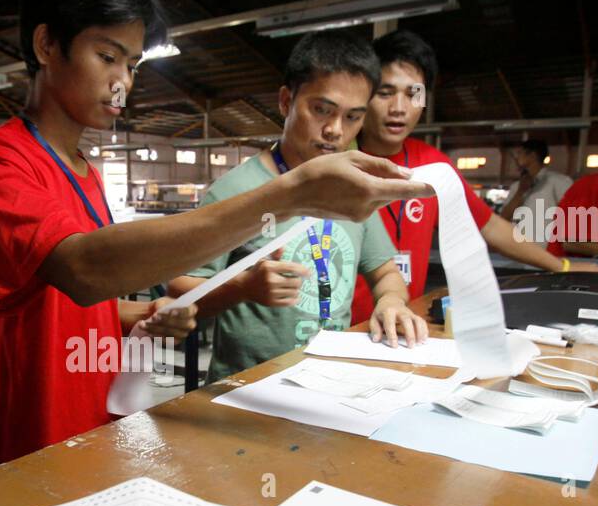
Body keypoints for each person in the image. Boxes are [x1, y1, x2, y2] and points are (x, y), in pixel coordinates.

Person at [0, 0, 431, 473]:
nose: (122, 83)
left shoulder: (82, 171)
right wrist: (290, 194)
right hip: (26, 448)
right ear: (47, 44)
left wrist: (142, 317)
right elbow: (83, 271)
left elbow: (73, 308)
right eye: (107, 57)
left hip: (93, 428)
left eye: (131, 65)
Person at [167, 32, 424, 383]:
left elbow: (386, 274)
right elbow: (180, 290)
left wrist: (391, 302)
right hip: (244, 392)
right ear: (287, 101)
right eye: (322, 110)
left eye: (353, 117)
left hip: (329, 382)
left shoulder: (353, 190)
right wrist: (242, 287)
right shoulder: (236, 190)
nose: (335, 130)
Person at [353, 30, 598, 325]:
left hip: (402, 325)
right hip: (338, 328)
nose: (399, 108)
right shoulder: (340, 163)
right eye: (385, 93)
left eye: (413, 94)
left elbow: (490, 227)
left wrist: (562, 266)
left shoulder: (435, 166)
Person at [499, 139, 573, 224]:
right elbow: (504, 218)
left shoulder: (559, 182)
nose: (517, 158)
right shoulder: (516, 187)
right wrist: (520, 192)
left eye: (520, 153)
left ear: (532, 156)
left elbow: (572, 216)